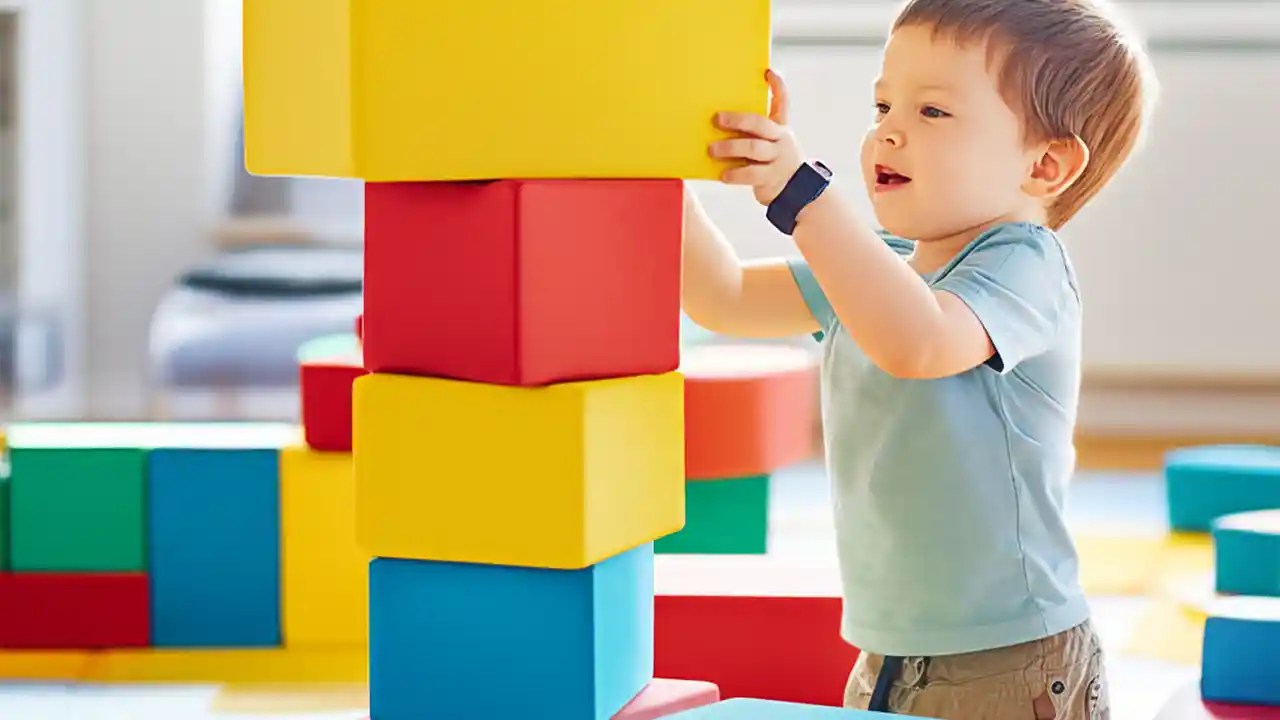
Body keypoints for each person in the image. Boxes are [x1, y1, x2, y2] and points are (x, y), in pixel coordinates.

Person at [682, 0, 1158, 717]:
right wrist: (655, 166)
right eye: (882, 105)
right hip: (890, 650)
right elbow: (720, 298)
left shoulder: (1026, 264)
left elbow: (920, 340)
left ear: (1046, 163)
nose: (888, 131)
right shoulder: (878, 270)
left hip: (1009, 656)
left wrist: (800, 194)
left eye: (932, 112)